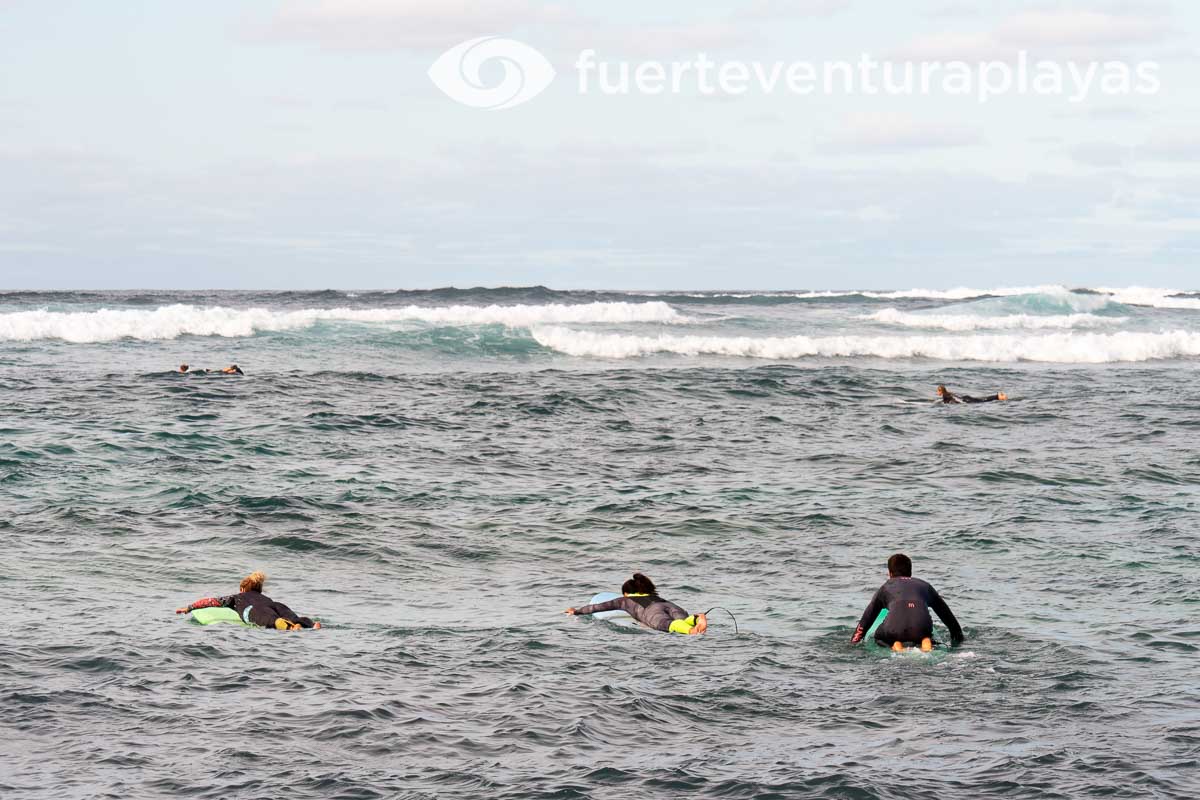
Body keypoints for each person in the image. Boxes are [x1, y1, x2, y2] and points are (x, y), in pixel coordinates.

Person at [851, 554, 963, 652]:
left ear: (890, 573)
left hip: (894, 629)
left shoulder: (886, 587)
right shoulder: (925, 586)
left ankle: (896, 645)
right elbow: (947, 616)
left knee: (880, 636)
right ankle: (926, 643)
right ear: (910, 572)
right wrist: (958, 636)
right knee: (925, 636)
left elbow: (866, 619)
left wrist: (854, 641)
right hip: (922, 628)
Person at [565, 572, 707, 635]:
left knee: (667, 624)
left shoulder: (625, 600)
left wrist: (576, 611)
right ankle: (695, 619)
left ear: (626, 593)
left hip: (651, 611)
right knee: (681, 619)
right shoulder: (653, 595)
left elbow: (598, 607)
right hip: (670, 605)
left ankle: (691, 630)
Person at [175, 570, 320, 630]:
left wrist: (189, 608)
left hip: (254, 611)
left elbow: (210, 602)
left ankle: (290, 628)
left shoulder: (236, 598)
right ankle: (311, 624)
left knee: (273, 622)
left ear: (243, 589)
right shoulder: (266, 597)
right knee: (295, 618)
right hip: (275, 605)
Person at [937, 384, 1007, 404]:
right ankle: (997, 396)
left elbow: (955, 398)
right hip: (965, 398)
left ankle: (998, 396)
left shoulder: (945, 395)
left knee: (982, 401)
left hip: (966, 400)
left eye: (938, 391)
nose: (937, 392)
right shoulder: (946, 394)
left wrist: (962, 403)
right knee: (981, 400)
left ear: (941, 391)